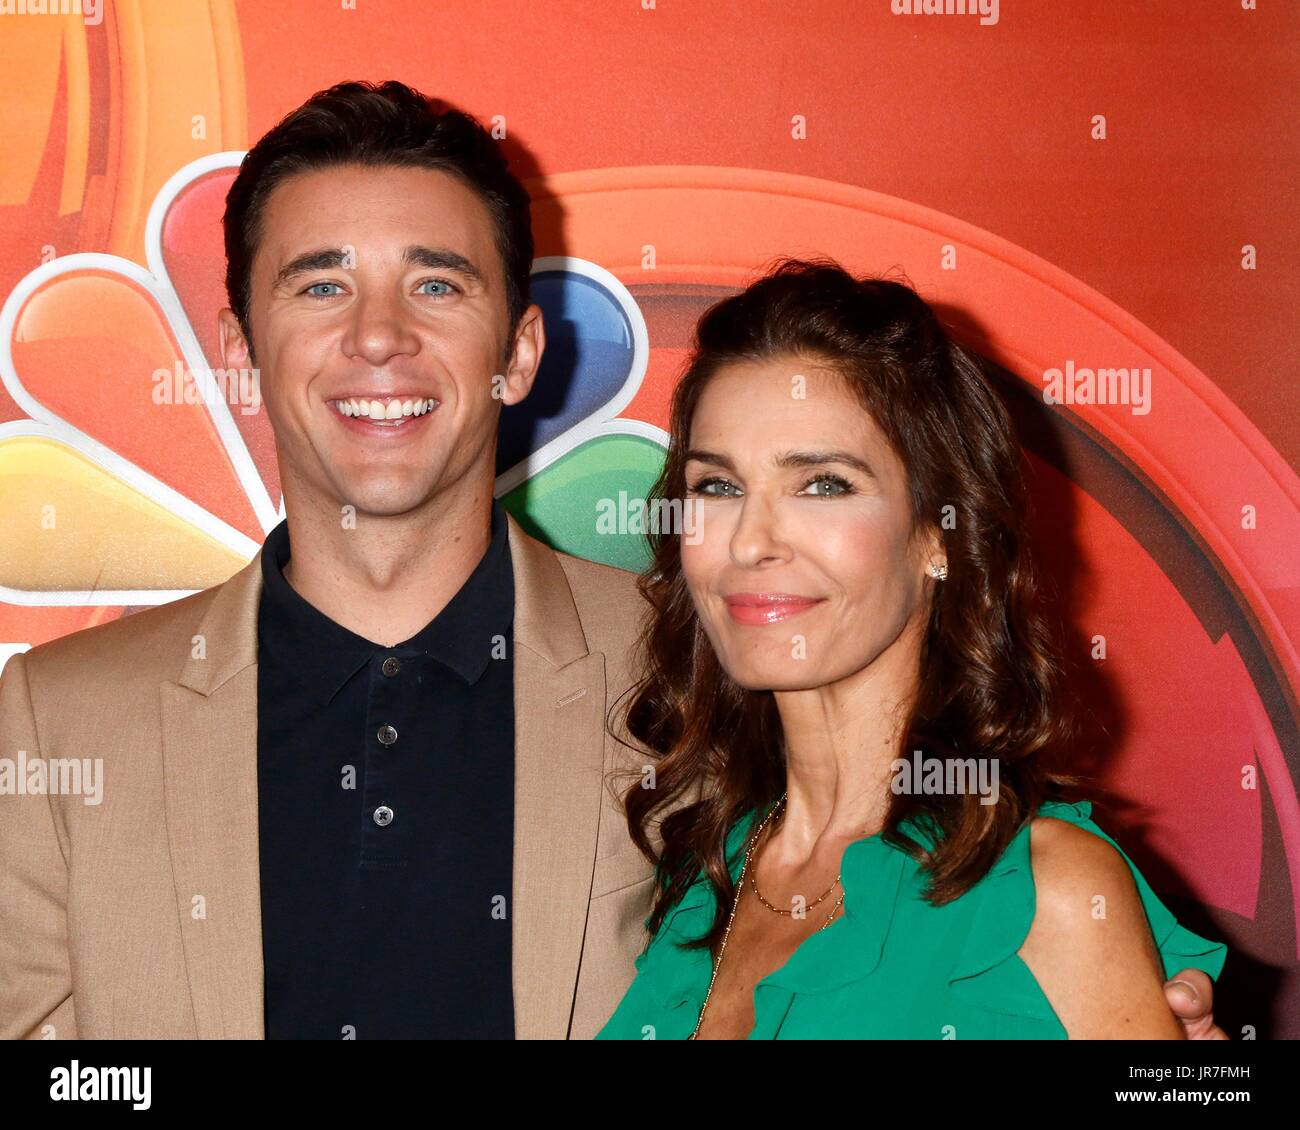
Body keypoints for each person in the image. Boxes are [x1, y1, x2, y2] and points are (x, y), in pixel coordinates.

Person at [0, 82, 1224, 1041]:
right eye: (321, 285)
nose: (378, 336)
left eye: (437, 282)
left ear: (522, 350)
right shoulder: (59, 729)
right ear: (236, 348)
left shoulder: (699, 684)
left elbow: (979, 875)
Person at [598, 259, 1228, 1039]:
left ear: (938, 536)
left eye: (823, 484)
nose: (749, 541)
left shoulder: (1044, 890)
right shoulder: (705, 874)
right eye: (717, 487)